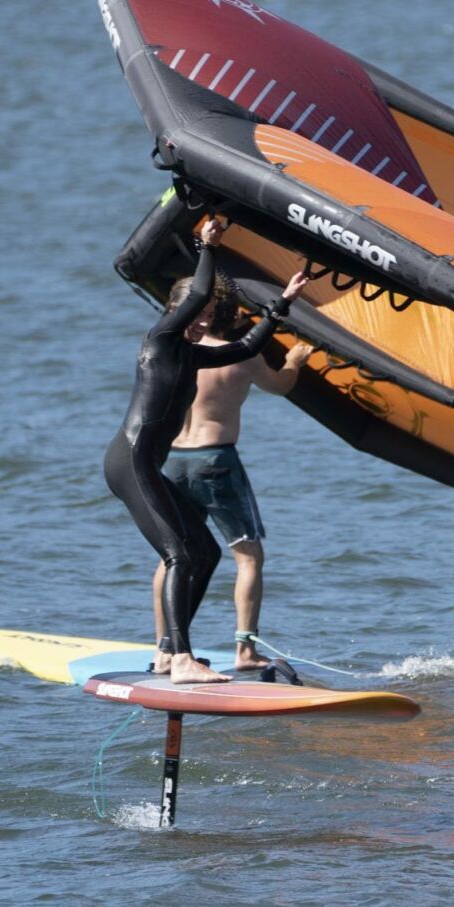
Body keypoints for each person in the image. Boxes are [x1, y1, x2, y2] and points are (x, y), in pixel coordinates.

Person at [104, 213, 309, 684]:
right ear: (178, 316)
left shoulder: (191, 355)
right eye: (195, 316)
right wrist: (207, 247)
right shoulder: (160, 341)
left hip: (152, 467)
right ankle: (179, 659)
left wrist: (283, 304)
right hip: (131, 462)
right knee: (179, 555)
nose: (203, 320)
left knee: (206, 554)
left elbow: (242, 348)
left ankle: (169, 654)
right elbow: (196, 294)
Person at [151, 281, 315, 676]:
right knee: (249, 557)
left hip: (172, 460)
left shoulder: (176, 351)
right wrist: (295, 359)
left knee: (172, 557)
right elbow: (281, 385)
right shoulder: (241, 358)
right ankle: (245, 649)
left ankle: (164, 650)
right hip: (216, 461)